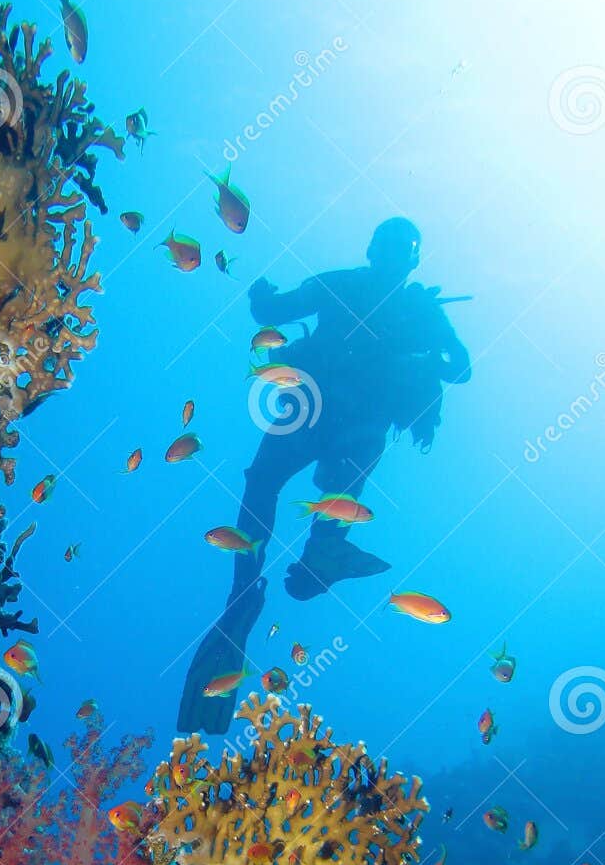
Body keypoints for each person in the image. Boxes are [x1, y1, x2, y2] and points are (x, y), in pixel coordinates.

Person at [177, 217, 470, 734]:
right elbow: (461, 367)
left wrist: (259, 292)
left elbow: (271, 312)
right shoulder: (418, 309)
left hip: (316, 413)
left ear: (376, 250)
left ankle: (253, 581)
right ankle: (320, 555)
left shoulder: (344, 285)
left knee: (263, 482)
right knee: (307, 499)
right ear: (411, 260)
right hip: (358, 428)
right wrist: (426, 353)